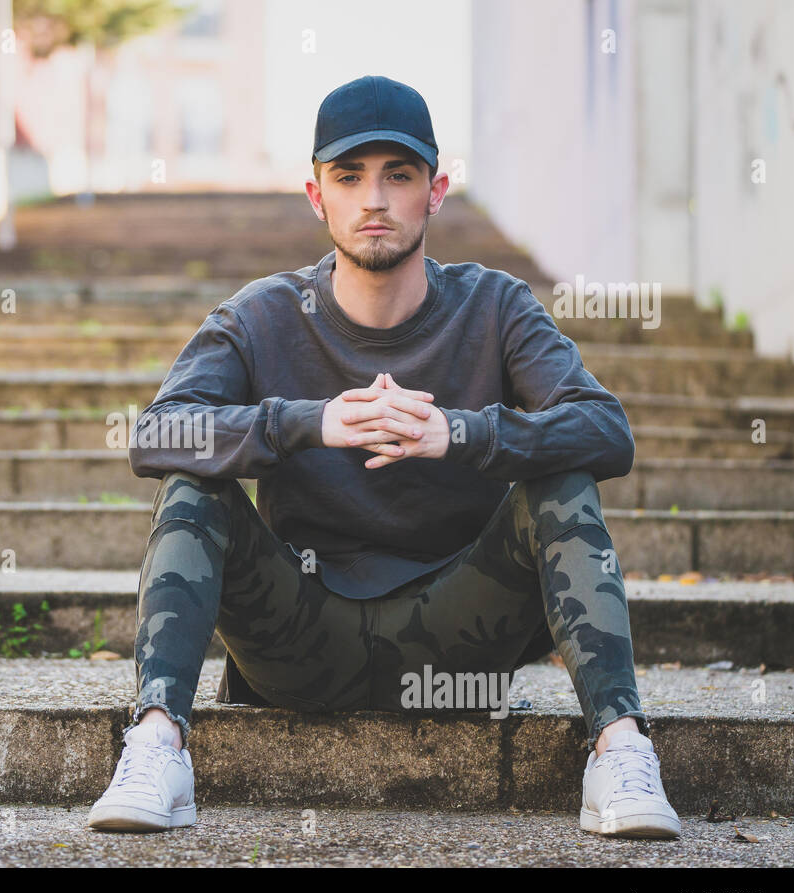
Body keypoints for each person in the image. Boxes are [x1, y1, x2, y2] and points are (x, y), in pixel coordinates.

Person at [87, 75, 680, 839]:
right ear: (315, 195)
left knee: (560, 476)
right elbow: (157, 433)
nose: (373, 199)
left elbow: (606, 430)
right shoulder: (263, 314)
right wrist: (310, 422)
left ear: (436, 190)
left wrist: (464, 435)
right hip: (298, 642)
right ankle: (157, 743)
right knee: (191, 486)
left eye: (397, 175)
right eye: (349, 176)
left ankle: (620, 750)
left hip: (456, 641)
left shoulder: (494, 306)